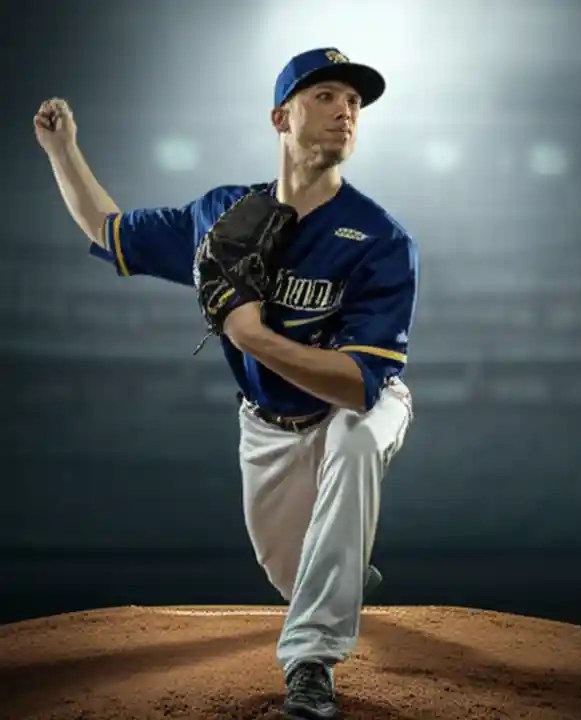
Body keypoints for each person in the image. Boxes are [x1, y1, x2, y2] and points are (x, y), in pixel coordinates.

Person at [34, 47, 418, 720]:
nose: (346, 110)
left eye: (354, 102)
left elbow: (360, 386)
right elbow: (107, 229)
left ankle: (309, 670)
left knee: (357, 441)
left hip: (354, 406)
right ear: (281, 116)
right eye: (325, 95)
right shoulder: (219, 215)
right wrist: (62, 151)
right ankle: (346, 570)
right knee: (288, 575)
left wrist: (254, 336)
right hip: (266, 426)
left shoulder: (381, 238)